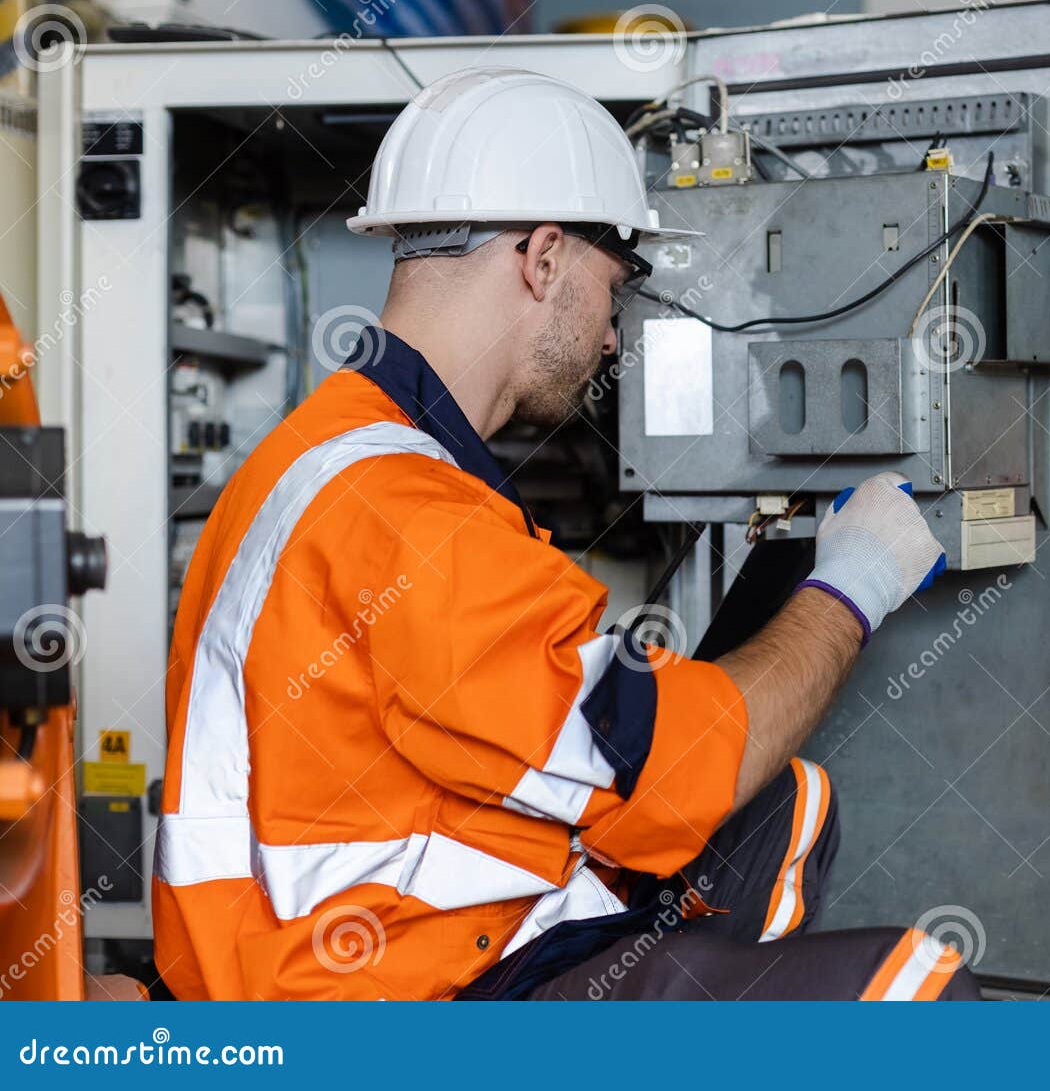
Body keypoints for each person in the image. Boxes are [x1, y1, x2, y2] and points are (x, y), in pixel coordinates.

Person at [154, 67, 976, 1001]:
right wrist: (853, 585)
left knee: (785, 812)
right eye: (613, 289)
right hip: (390, 999)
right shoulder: (412, 518)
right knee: (915, 992)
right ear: (543, 257)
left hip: (338, 950)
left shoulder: (321, 454)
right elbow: (670, 778)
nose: (615, 339)